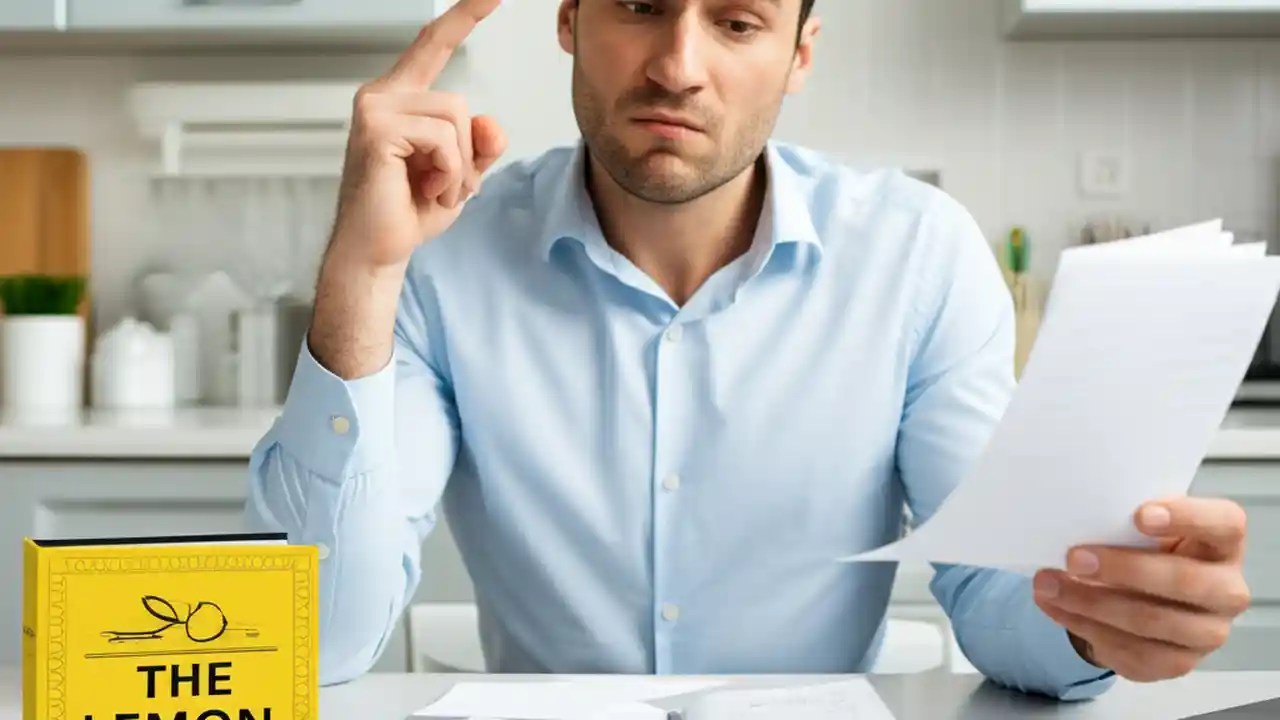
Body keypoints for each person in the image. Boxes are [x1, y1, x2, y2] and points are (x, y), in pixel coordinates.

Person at [245, 0, 1252, 698]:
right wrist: (361, 275)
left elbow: (994, 596)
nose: (677, 66)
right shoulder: (443, 252)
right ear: (568, 20)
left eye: (736, 22)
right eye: (640, 6)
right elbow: (316, 641)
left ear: (800, 53)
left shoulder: (917, 252)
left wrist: (1095, 616)